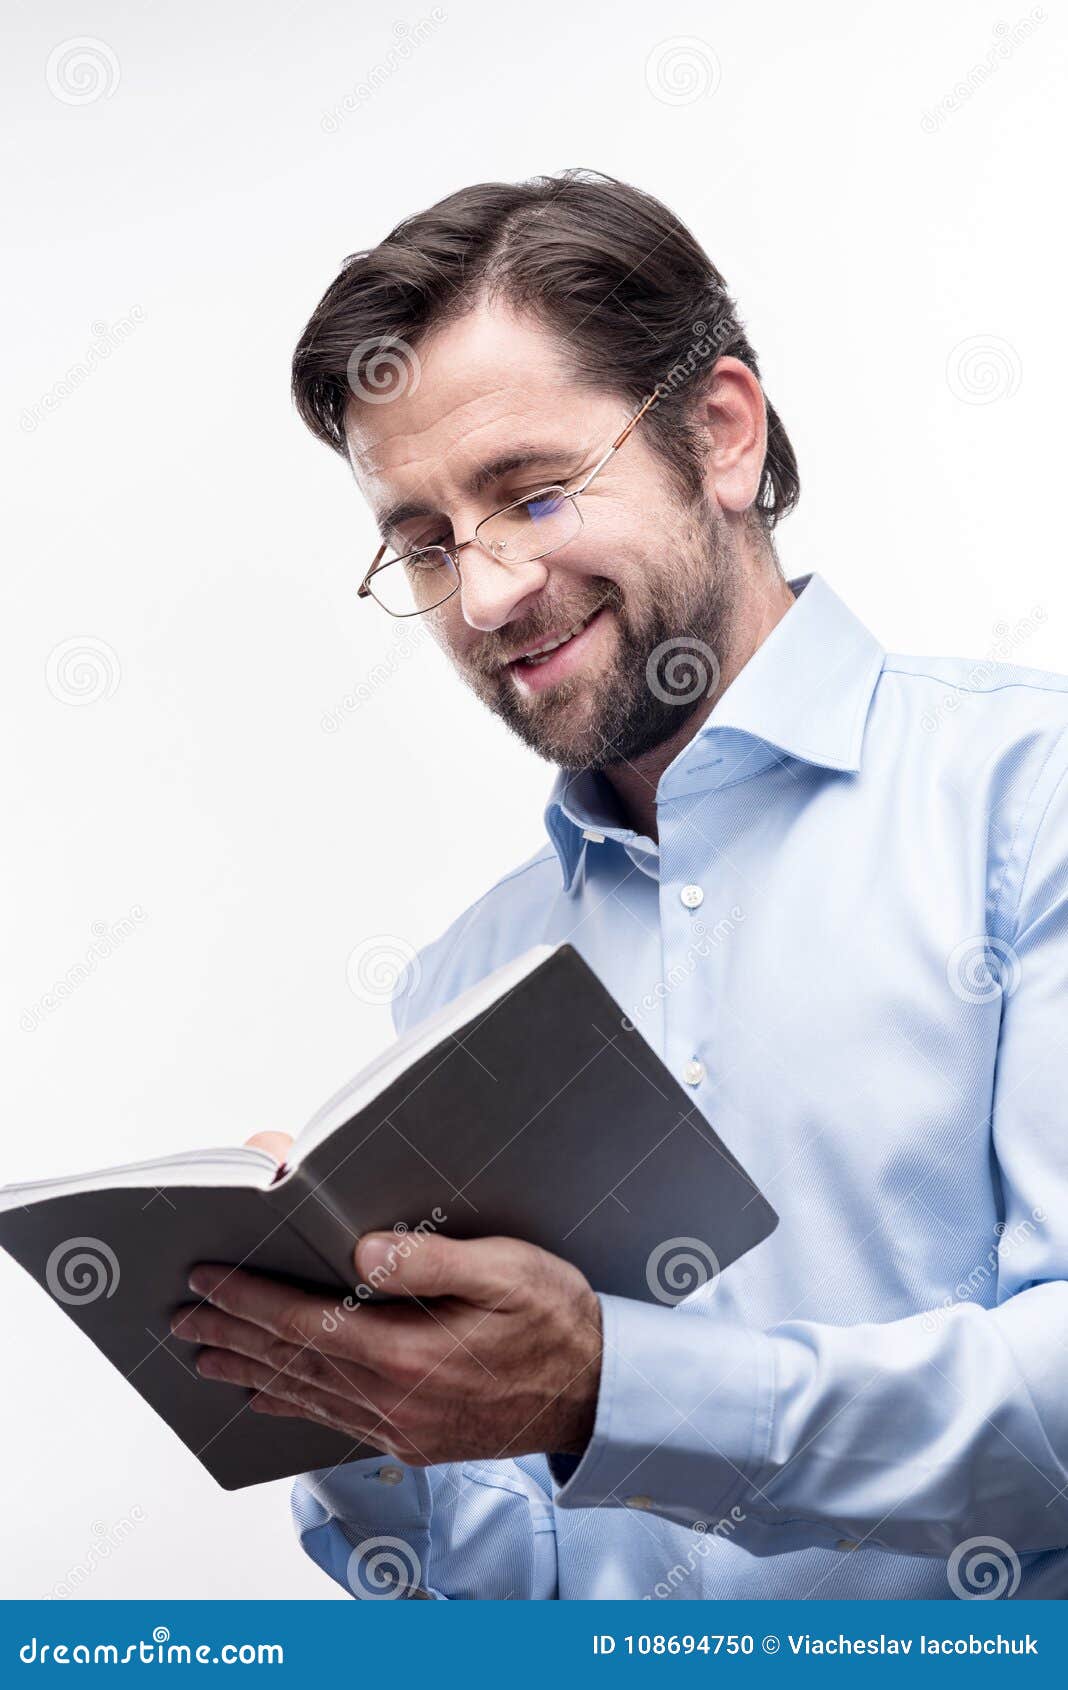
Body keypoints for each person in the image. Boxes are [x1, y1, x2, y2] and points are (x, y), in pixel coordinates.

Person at [171, 170, 1068, 1601]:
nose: (483, 594)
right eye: (422, 540)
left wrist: (612, 1386)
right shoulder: (466, 980)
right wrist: (337, 1395)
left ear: (719, 432)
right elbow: (511, 1594)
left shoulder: (1032, 800)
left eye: (528, 491)